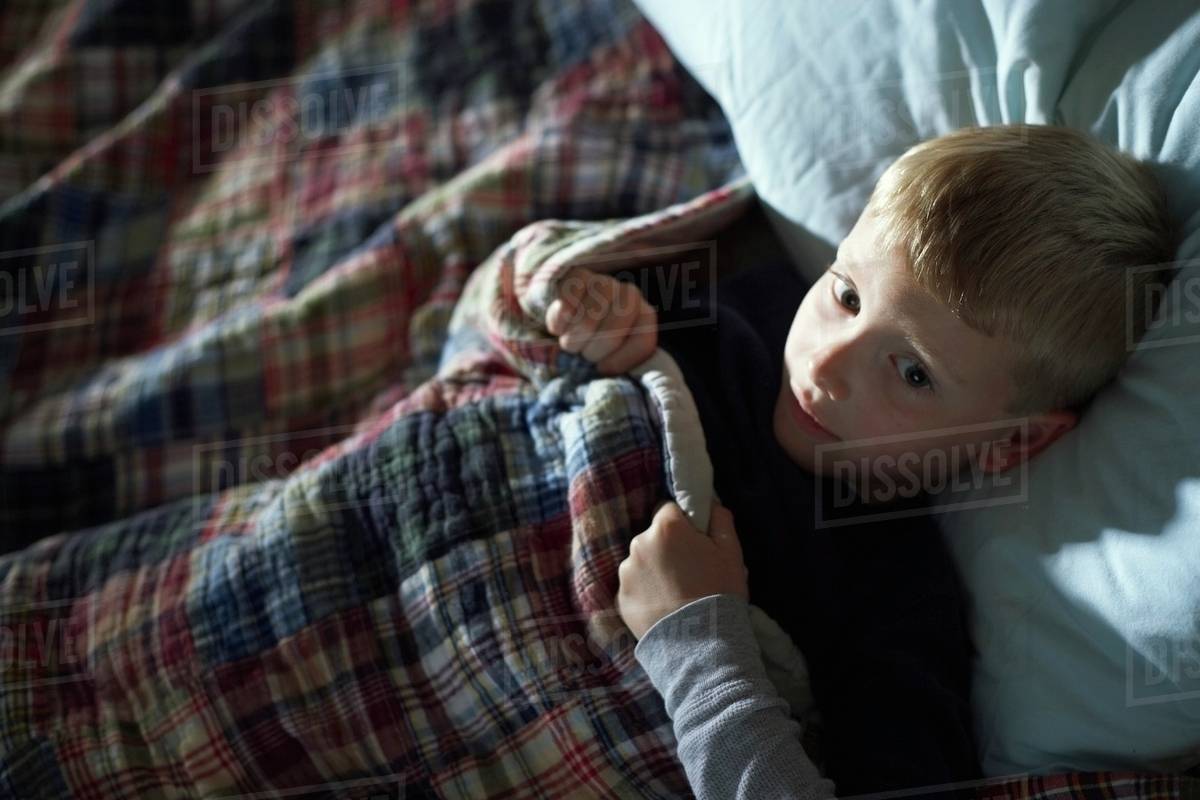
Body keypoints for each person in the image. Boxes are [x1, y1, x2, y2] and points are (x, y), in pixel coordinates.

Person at [543, 124, 1175, 798]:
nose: (825, 365)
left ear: (1012, 443)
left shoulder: (893, 597)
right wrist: (587, 322)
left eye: (912, 372)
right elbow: (517, 306)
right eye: (847, 297)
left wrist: (698, 647)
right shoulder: (737, 313)